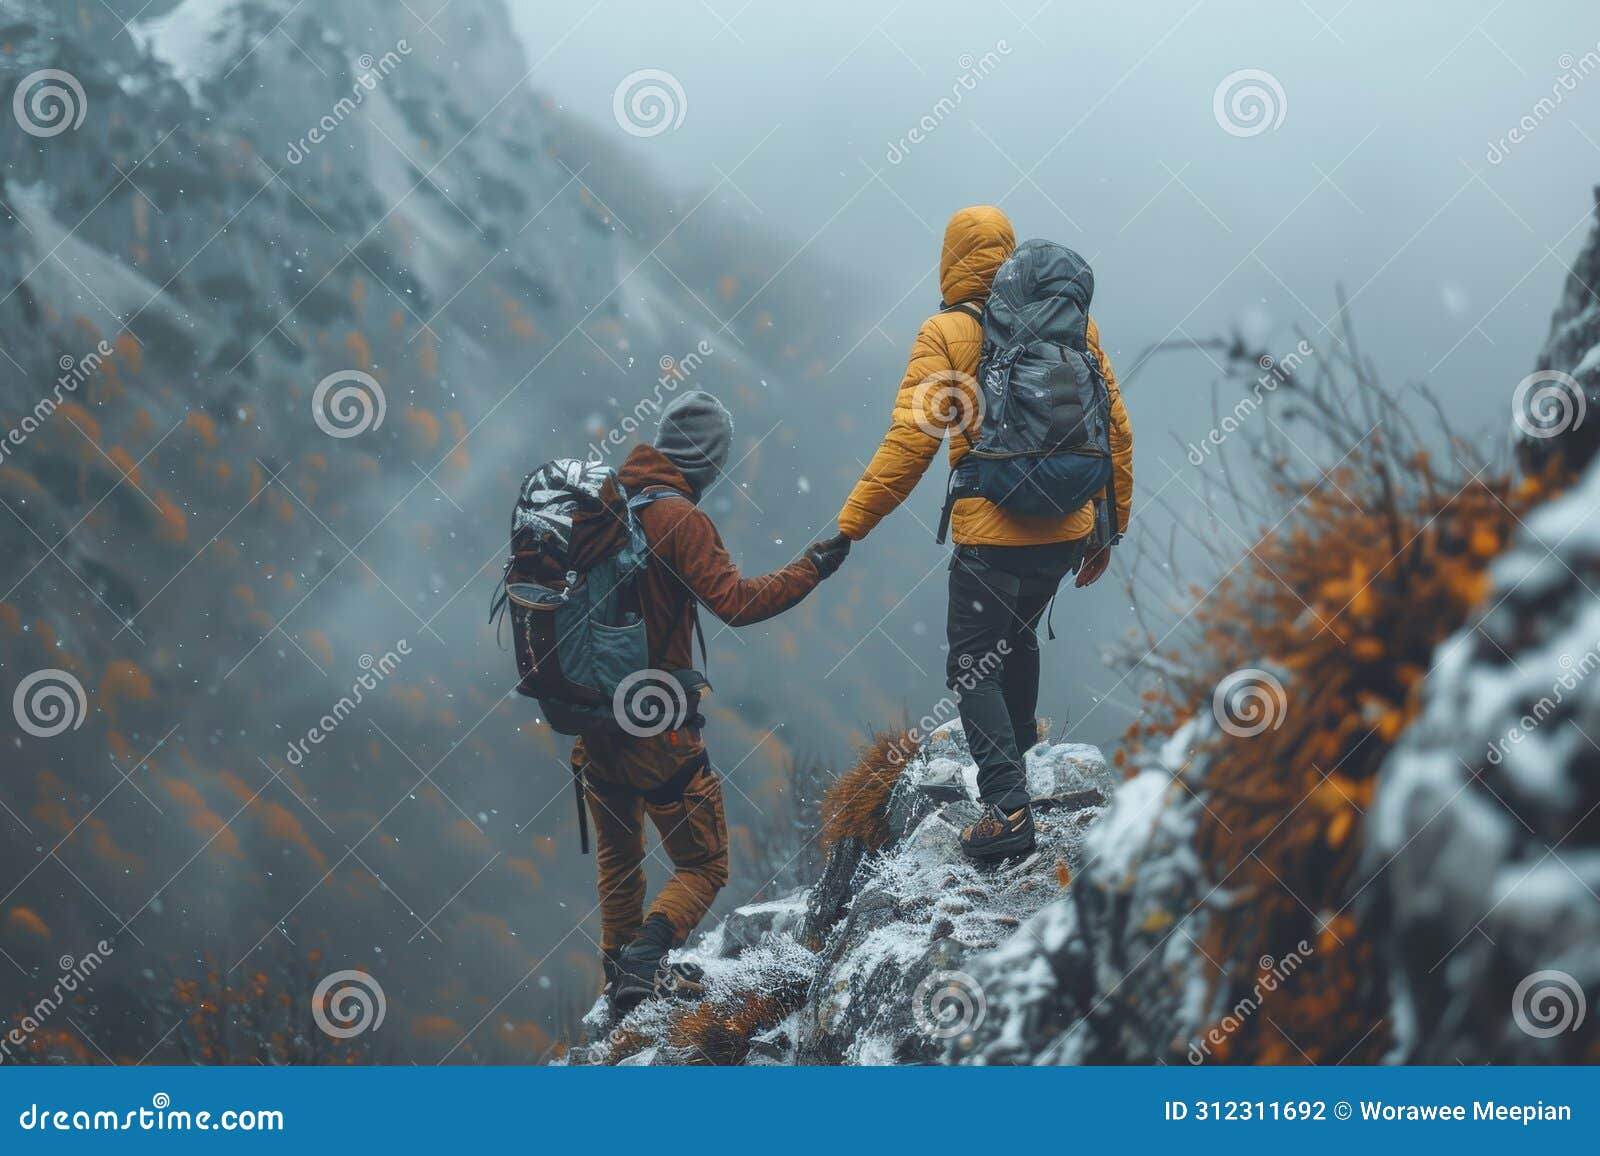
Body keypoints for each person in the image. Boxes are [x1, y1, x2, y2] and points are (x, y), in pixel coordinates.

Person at [835, 205, 1133, 861]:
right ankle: (1022, 770)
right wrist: (1108, 530)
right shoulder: (1075, 327)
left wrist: (848, 526)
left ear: (950, 259)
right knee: (1017, 640)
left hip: (991, 538)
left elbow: (909, 443)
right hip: (1064, 533)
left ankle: (1005, 808)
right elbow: (1118, 433)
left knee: (974, 664)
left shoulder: (946, 332)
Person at [581, 390, 849, 1011]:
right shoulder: (680, 520)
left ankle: (622, 984)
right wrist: (812, 568)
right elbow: (738, 604)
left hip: (592, 721)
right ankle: (645, 962)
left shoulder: (601, 506)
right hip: (657, 723)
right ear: (707, 462)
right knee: (704, 865)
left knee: (620, 863)